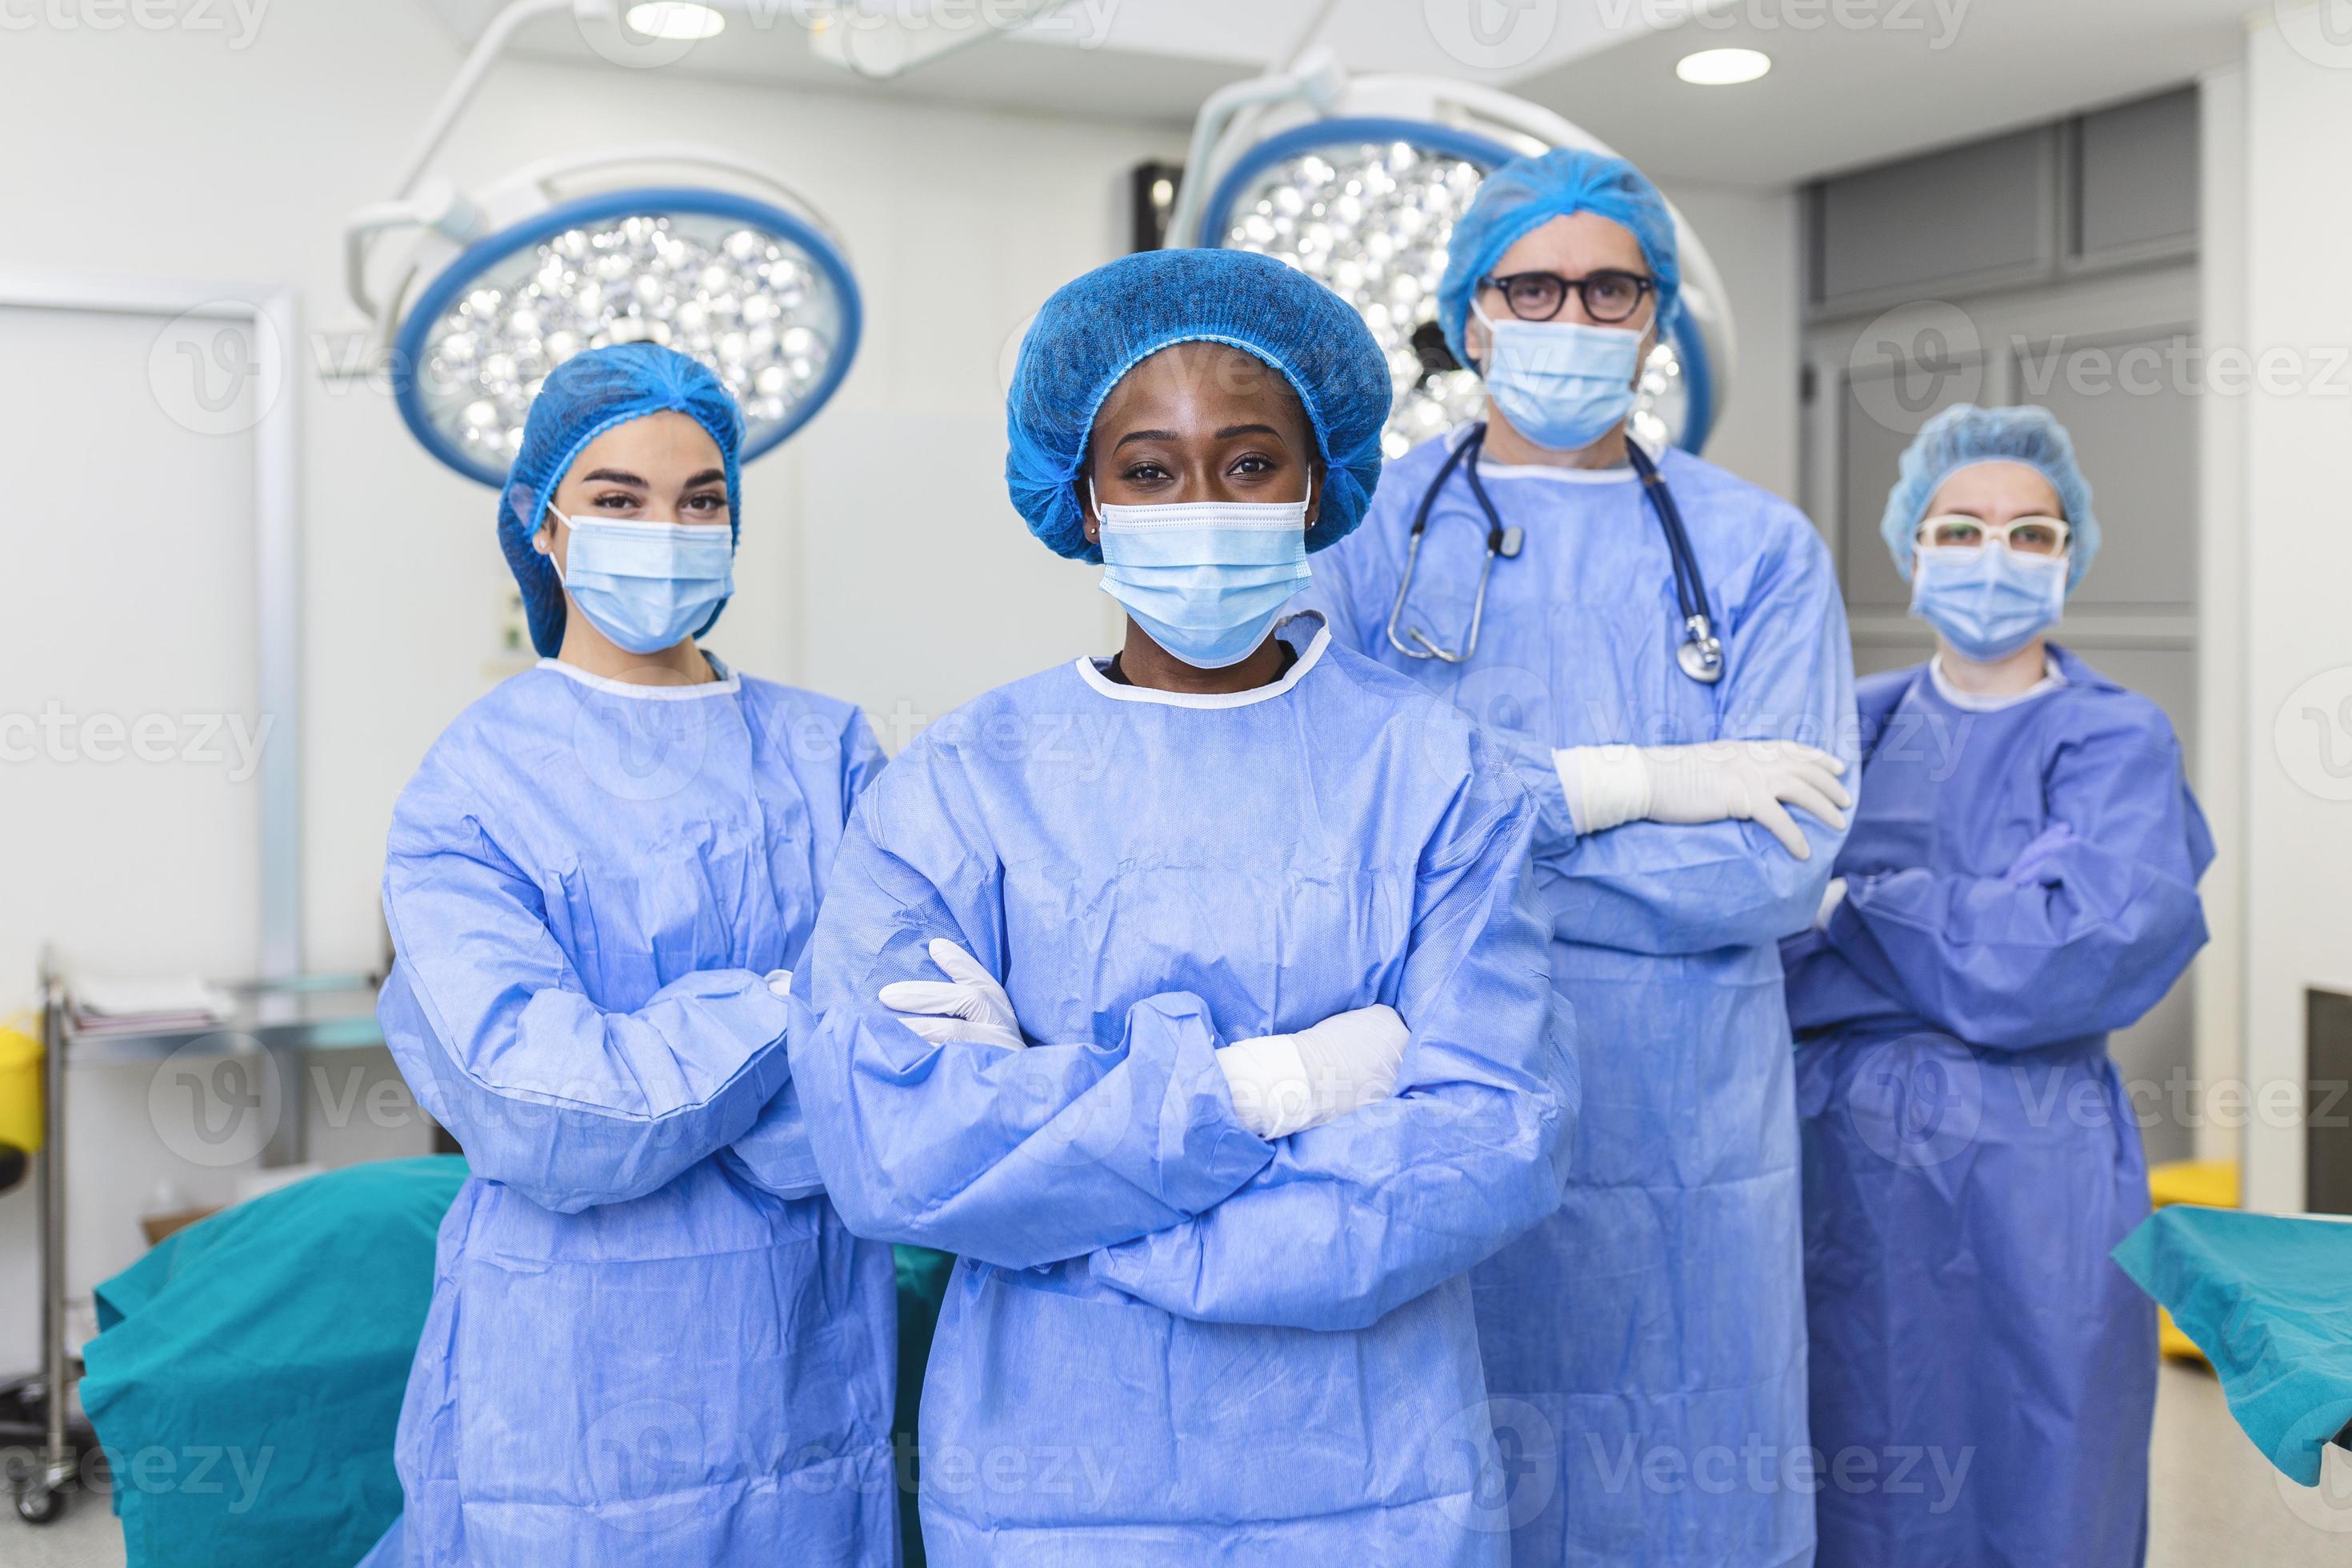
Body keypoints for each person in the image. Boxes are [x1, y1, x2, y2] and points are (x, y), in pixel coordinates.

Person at [756, 247, 1578, 1564]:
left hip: (1368, 1488)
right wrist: (1277, 1086)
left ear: (1318, 483)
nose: (1201, 501)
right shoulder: (966, 785)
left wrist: (1074, 1191)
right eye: (1150, 469)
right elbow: (892, 1144)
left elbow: (1491, 1138)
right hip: (1052, 1491)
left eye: (1249, 462)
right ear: (1085, 495)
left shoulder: (1436, 774)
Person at [1298, 146, 1856, 1566]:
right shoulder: (1364, 534)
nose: (1570, 316)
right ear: (1468, 312)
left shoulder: (1760, 550)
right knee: (1452, 1460)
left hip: (1691, 1125)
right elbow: (1332, 814)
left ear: (1656, 316)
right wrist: (1648, 791)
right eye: (1530, 285)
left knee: (1689, 1471)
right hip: (1442, 1082)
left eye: (1609, 288)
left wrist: (1484, 858)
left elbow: (1775, 870)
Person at [358, 343, 898, 1566]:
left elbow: (916, 1052)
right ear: (543, 529)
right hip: (563, 1381)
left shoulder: (834, 758)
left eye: (700, 499)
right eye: (618, 499)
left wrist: (684, 1088)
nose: (667, 528)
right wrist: (786, 1008)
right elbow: (541, 1111)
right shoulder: (474, 787)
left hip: (807, 1354)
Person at [1782, 402, 2212, 1567]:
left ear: (2071, 555)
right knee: (1853, 1465)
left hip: (2040, 1175)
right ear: (1910, 549)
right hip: (1842, 1177)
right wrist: (1964, 930)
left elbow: (2068, 963)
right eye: (1960, 528)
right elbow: (1760, 946)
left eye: (2031, 533)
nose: (1995, 558)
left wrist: (1860, 907)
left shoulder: (2119, 742)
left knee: (2046, 1468)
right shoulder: (1841, 730)